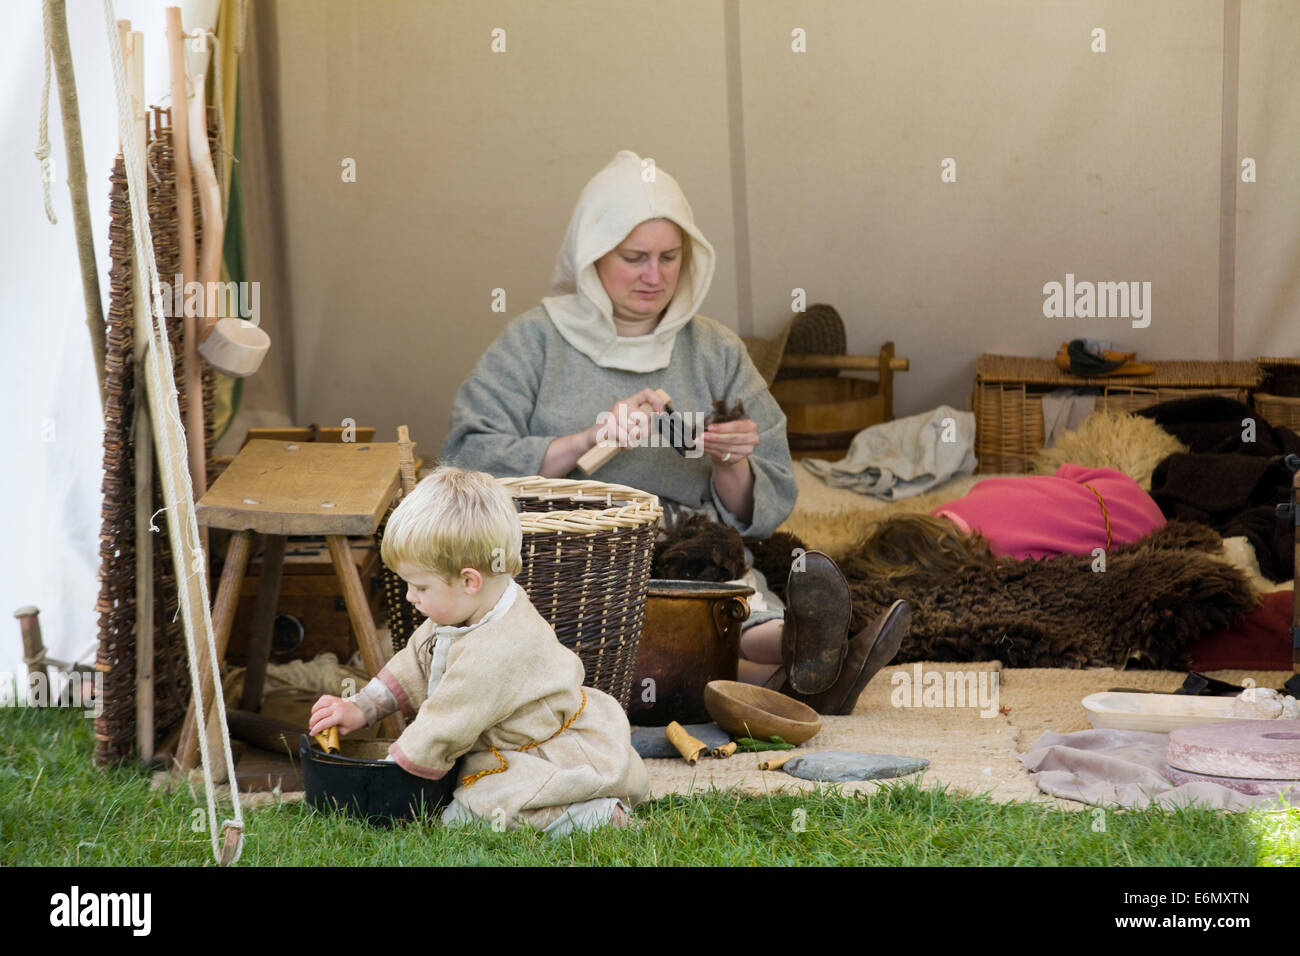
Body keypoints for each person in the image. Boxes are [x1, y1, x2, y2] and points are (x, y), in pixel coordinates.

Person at [441, 150, 906, 706]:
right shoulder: (533, 343)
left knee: (723, 602)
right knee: (620, 636)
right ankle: (809, 674)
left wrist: (732, 460)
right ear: (592, 255)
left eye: (670, 257)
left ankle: (807, 643)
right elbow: (463, 463)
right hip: (576, 554)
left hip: (692, 549)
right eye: (634, 257)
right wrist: (588, 440)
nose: (654, 276)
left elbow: (763, 506)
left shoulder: (714, 349)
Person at [308, 466, 649, 836]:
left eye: (420, 586)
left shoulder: (495, 650)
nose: (410, 597)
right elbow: (416, 661)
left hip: (544, 753)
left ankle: (591, 814)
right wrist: (363, 706)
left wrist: (389, 774)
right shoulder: (468, 610)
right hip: (506, 746)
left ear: (469, 580)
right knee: (470, 791)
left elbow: (445, 723)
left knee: (470, 814)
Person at [853, 463, 1168, 580]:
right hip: (1124, 494)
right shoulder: (970, 501)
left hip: (1135, 532)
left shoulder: (1001, 568)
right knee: (1047, 490)